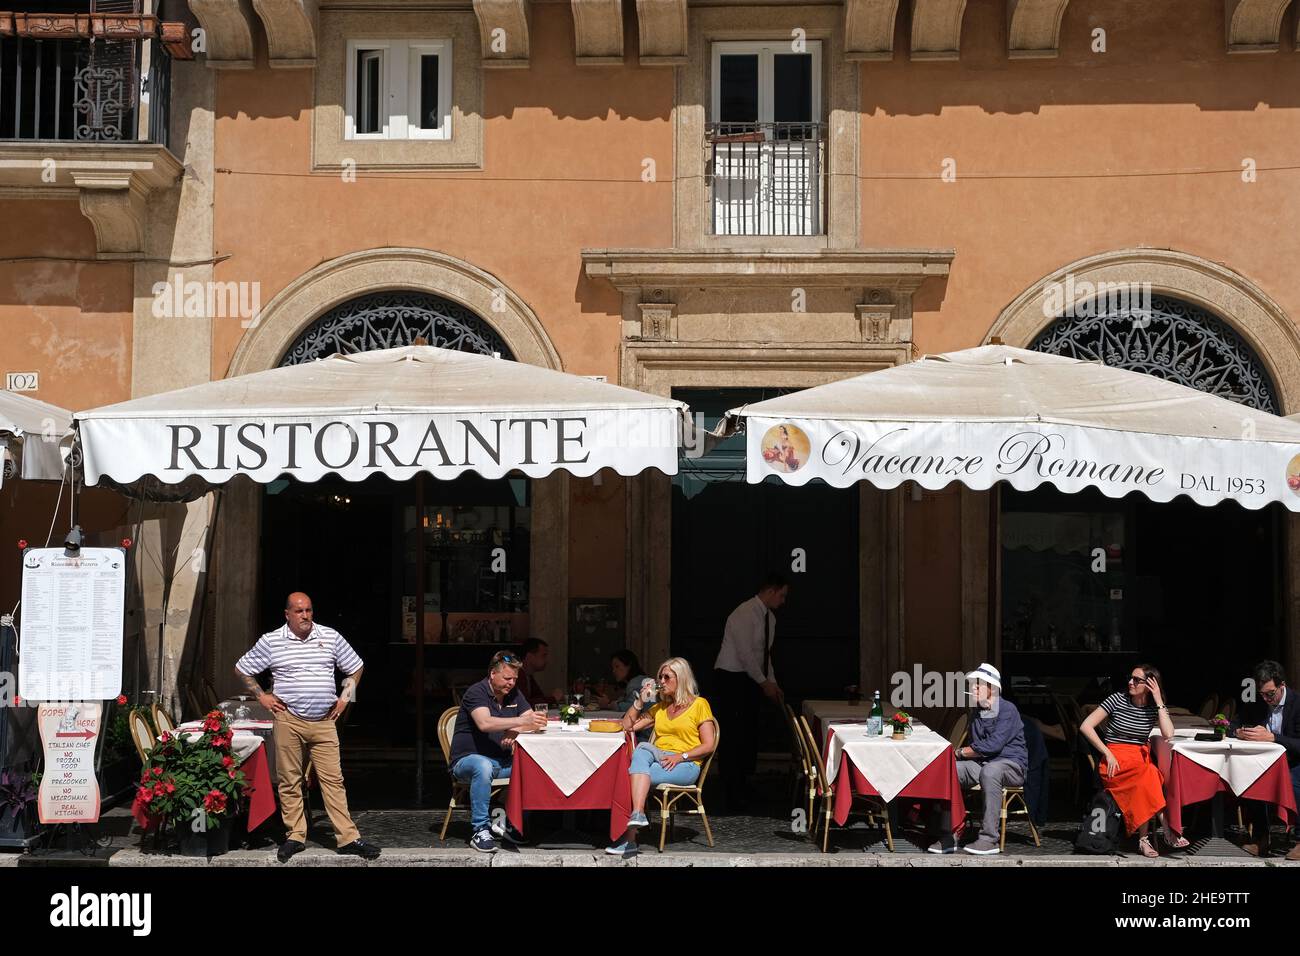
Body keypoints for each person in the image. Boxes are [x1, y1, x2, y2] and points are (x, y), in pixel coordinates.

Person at [235, 592, 381, 862]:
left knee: (333, 780)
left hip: (324, 721)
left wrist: (345, 698)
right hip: (289, 719)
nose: (305, 616)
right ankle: (295, 835)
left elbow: (356, 666)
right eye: (299, 611)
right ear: (287, 614)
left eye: (309, 610)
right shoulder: (272, 641)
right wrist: (262, 696)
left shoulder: (329, 636)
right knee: (290, 781)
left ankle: (348, 837)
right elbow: (243, 668)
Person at [605, 657, 717, 857]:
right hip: (659, 758)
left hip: (686, 764)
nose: (661, 681)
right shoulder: (660, 708)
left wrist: (680, 756)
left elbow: (708, 745)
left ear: (681, 679)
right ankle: (638, 814)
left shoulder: (699, 704)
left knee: (632, 775)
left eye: (667, 677)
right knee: (643, 749)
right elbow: (626, 727)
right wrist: (640, 701)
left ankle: (630, 839)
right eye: (660, 677)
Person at [1079, 664, 1189, 858]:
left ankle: (1144, 840)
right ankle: (1166, 829)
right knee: (1150, 775)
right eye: (1131, 678)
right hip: (1115, 760)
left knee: (1148, 776)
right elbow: (1086, 726)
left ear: (1149, 685)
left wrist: (1158, 699)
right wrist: (1108, 753)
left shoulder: (1152, 708)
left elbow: (1169, 733)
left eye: (1137, 680)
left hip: (1138, 760)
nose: (1130, 682)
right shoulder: (1116, 699)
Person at [448, 650, 548, 853]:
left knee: (533, 765)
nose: (511, 683)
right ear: (493, 674)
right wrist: (521, 722)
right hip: (468, 761)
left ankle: (513, 824)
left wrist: (515, 729)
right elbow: (484, 723)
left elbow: (536, 721)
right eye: (507, 678)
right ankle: (480, 830)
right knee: (482, 766)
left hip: (501, 763)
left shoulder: (514, 693)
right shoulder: (476, 692)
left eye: (515, 679)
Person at [928, 663, 1028, 855]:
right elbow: (979, 748)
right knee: (951, 771)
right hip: (984, 764)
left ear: (991, 688)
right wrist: (961, 757)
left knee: (991, 771)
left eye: (978, 684)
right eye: (972, 684)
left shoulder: (1007, 709)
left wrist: (960, 752)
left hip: (1012, 765)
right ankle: (950, 833)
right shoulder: (977, 711)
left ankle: (989, 839)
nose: (973, 687)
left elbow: (992, 746)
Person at [713, 572, 787, 811]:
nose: (783, 601)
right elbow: (745, 654)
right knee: (733, 734)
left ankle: (744, 783)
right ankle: (730, 789)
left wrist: (772, 682)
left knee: (749, 733)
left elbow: (764, 655)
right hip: (732, 678)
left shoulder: (770, 619)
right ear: (771, 591)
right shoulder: (744, 613)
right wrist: (764, 683)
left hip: (751, 680)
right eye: (782, 595)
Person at [1234, 660, 1300, 859]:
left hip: (1294, 760)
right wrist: (1240, 732)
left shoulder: (1297, 704)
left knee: (1292, 781)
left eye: (1270, 694)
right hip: (1266, 762)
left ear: (1282, 686)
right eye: (1262, 694)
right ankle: (1262, 838)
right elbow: (1233, 723)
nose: (1266, 698)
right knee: (1250, 779)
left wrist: (1273, 737)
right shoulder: (1257, 702)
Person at [516, 637, 558, 707]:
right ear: (529, 656)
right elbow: (524, 704)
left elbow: (538, 696)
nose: (547, 660)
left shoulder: (528, 675)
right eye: (543, 655)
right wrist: (553, 698)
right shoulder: (517, 675)